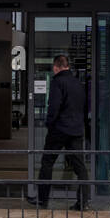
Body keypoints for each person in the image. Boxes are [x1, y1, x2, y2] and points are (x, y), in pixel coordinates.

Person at [31, 54, 89, 209]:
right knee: (79, 165)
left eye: (53, 68)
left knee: (47, 162)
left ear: (56, 67)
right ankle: (83, 201)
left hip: (60, 129)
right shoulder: (78, 83)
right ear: (67, 66)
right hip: (76, 130)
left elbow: (54, 106)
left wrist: (49, 123)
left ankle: (42, 199)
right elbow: (83, 107)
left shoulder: (58, 82)